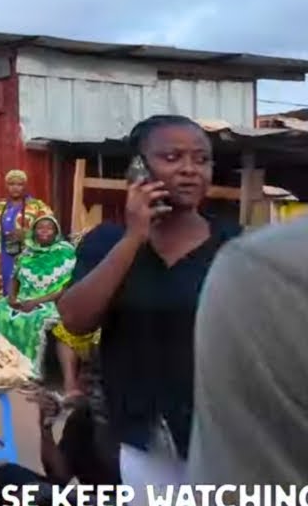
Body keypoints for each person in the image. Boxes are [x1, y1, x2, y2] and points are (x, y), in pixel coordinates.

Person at [58, 115, 240, 497]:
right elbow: (75, 320)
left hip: (217, 432)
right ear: (138, 168)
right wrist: (134, 236)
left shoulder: (234, 247)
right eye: (172, 157)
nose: (190, 170)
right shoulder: (106, 241)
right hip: (137, 432)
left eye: (202, 160)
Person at [187, 216, 308, 484]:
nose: (188, 171)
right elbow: (74, 321)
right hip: (166, 429)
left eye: (202, 168)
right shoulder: (249, 259)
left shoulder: (243, 254)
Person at [0, 353, 120, 496]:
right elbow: (59, 476)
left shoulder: (130, 423)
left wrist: (100, 421)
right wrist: (46, 427)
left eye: (96, 379)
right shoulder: (81, 416)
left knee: (41, 493)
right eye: (85, 373)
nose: (88, 381)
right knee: (8, 475)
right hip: (84, 499)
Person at [0, 215, 83, 396]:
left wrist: (35, 302)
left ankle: (28, 374)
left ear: (56, 232)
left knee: (34, 319)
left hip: (51, 301)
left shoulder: (65, 252)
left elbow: (63, 289)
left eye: (49, 228)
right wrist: (12, 297)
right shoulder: (27, 253)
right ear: (33, 231)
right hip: (24, 297)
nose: (44, 231)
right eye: (40, 228)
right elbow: (14, 278)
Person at [0, 170, 54, 297]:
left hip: (27, 255)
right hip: (2, 257)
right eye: (11, 184)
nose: (15, 188)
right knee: (2, 292)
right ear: (6, 186)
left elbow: (51, 231)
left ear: (25, 186)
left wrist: (28, 234)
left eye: (19, 184)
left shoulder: (38, 206)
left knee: (24, 293)